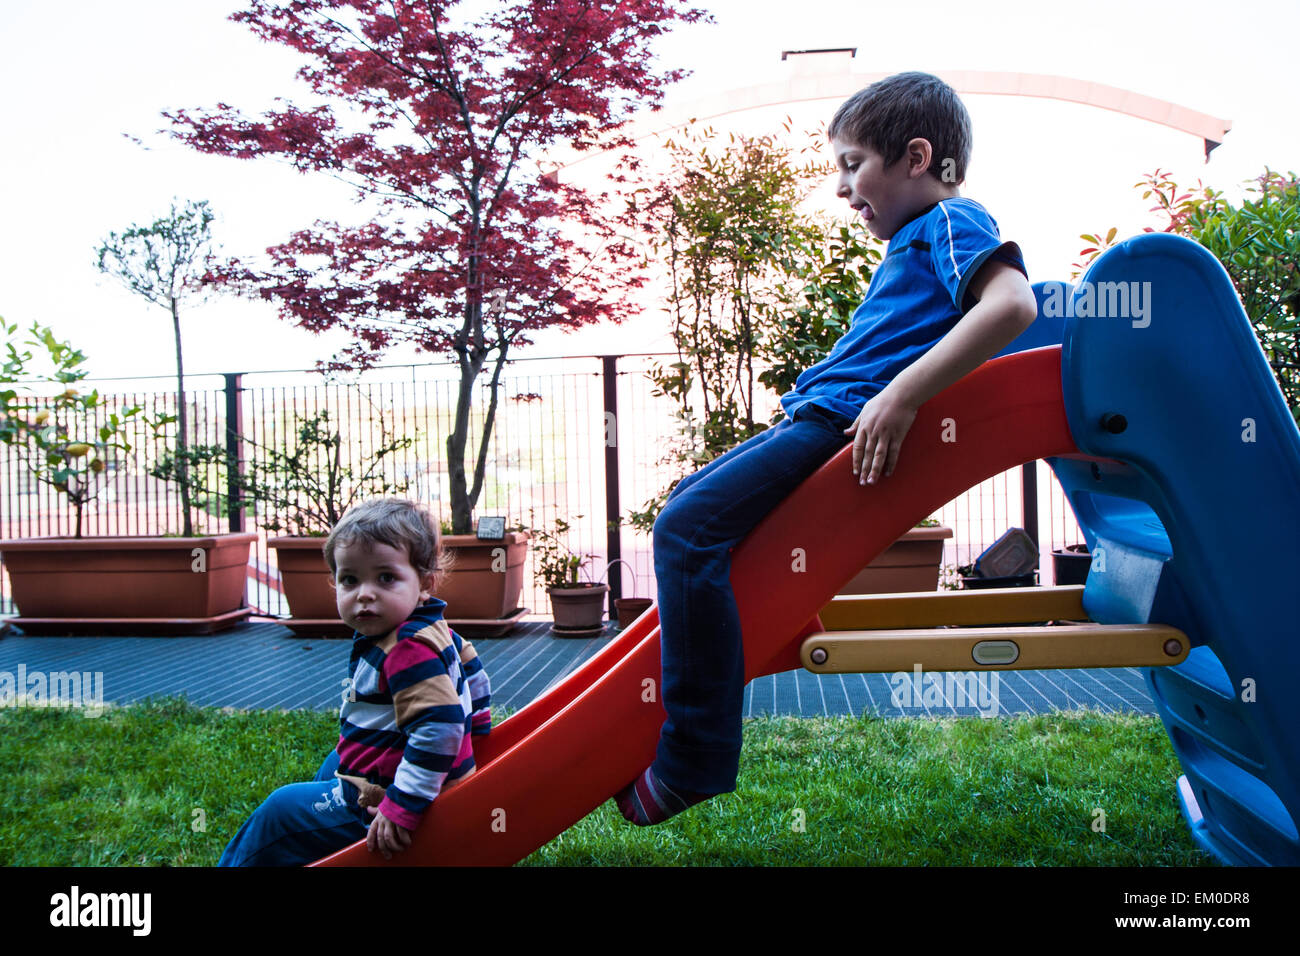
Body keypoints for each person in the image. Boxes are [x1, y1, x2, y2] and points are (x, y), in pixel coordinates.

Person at [615, 71, 1038, 825]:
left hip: (834, 421)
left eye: (853, 165)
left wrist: (900, 394)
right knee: (687, 511)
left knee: (683, 532)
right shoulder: (919, 236)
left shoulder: (952, 220)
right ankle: (669, 719)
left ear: (915, 157)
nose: (844, 188)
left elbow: (1012, 305)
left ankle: (694, 761)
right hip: (815, 414)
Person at [218, 498, 490, 866]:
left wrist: (400, 808)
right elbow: (472, 668)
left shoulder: (407, 648)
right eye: (350, 579)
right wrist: (478, 730)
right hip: (413, 772)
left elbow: (438, 728)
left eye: (385, 577)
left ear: (425, 582)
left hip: (392, 797)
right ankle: (325, 845)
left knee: (279, 811)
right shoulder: (431, 626)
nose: (364, 593)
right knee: (335, 760)